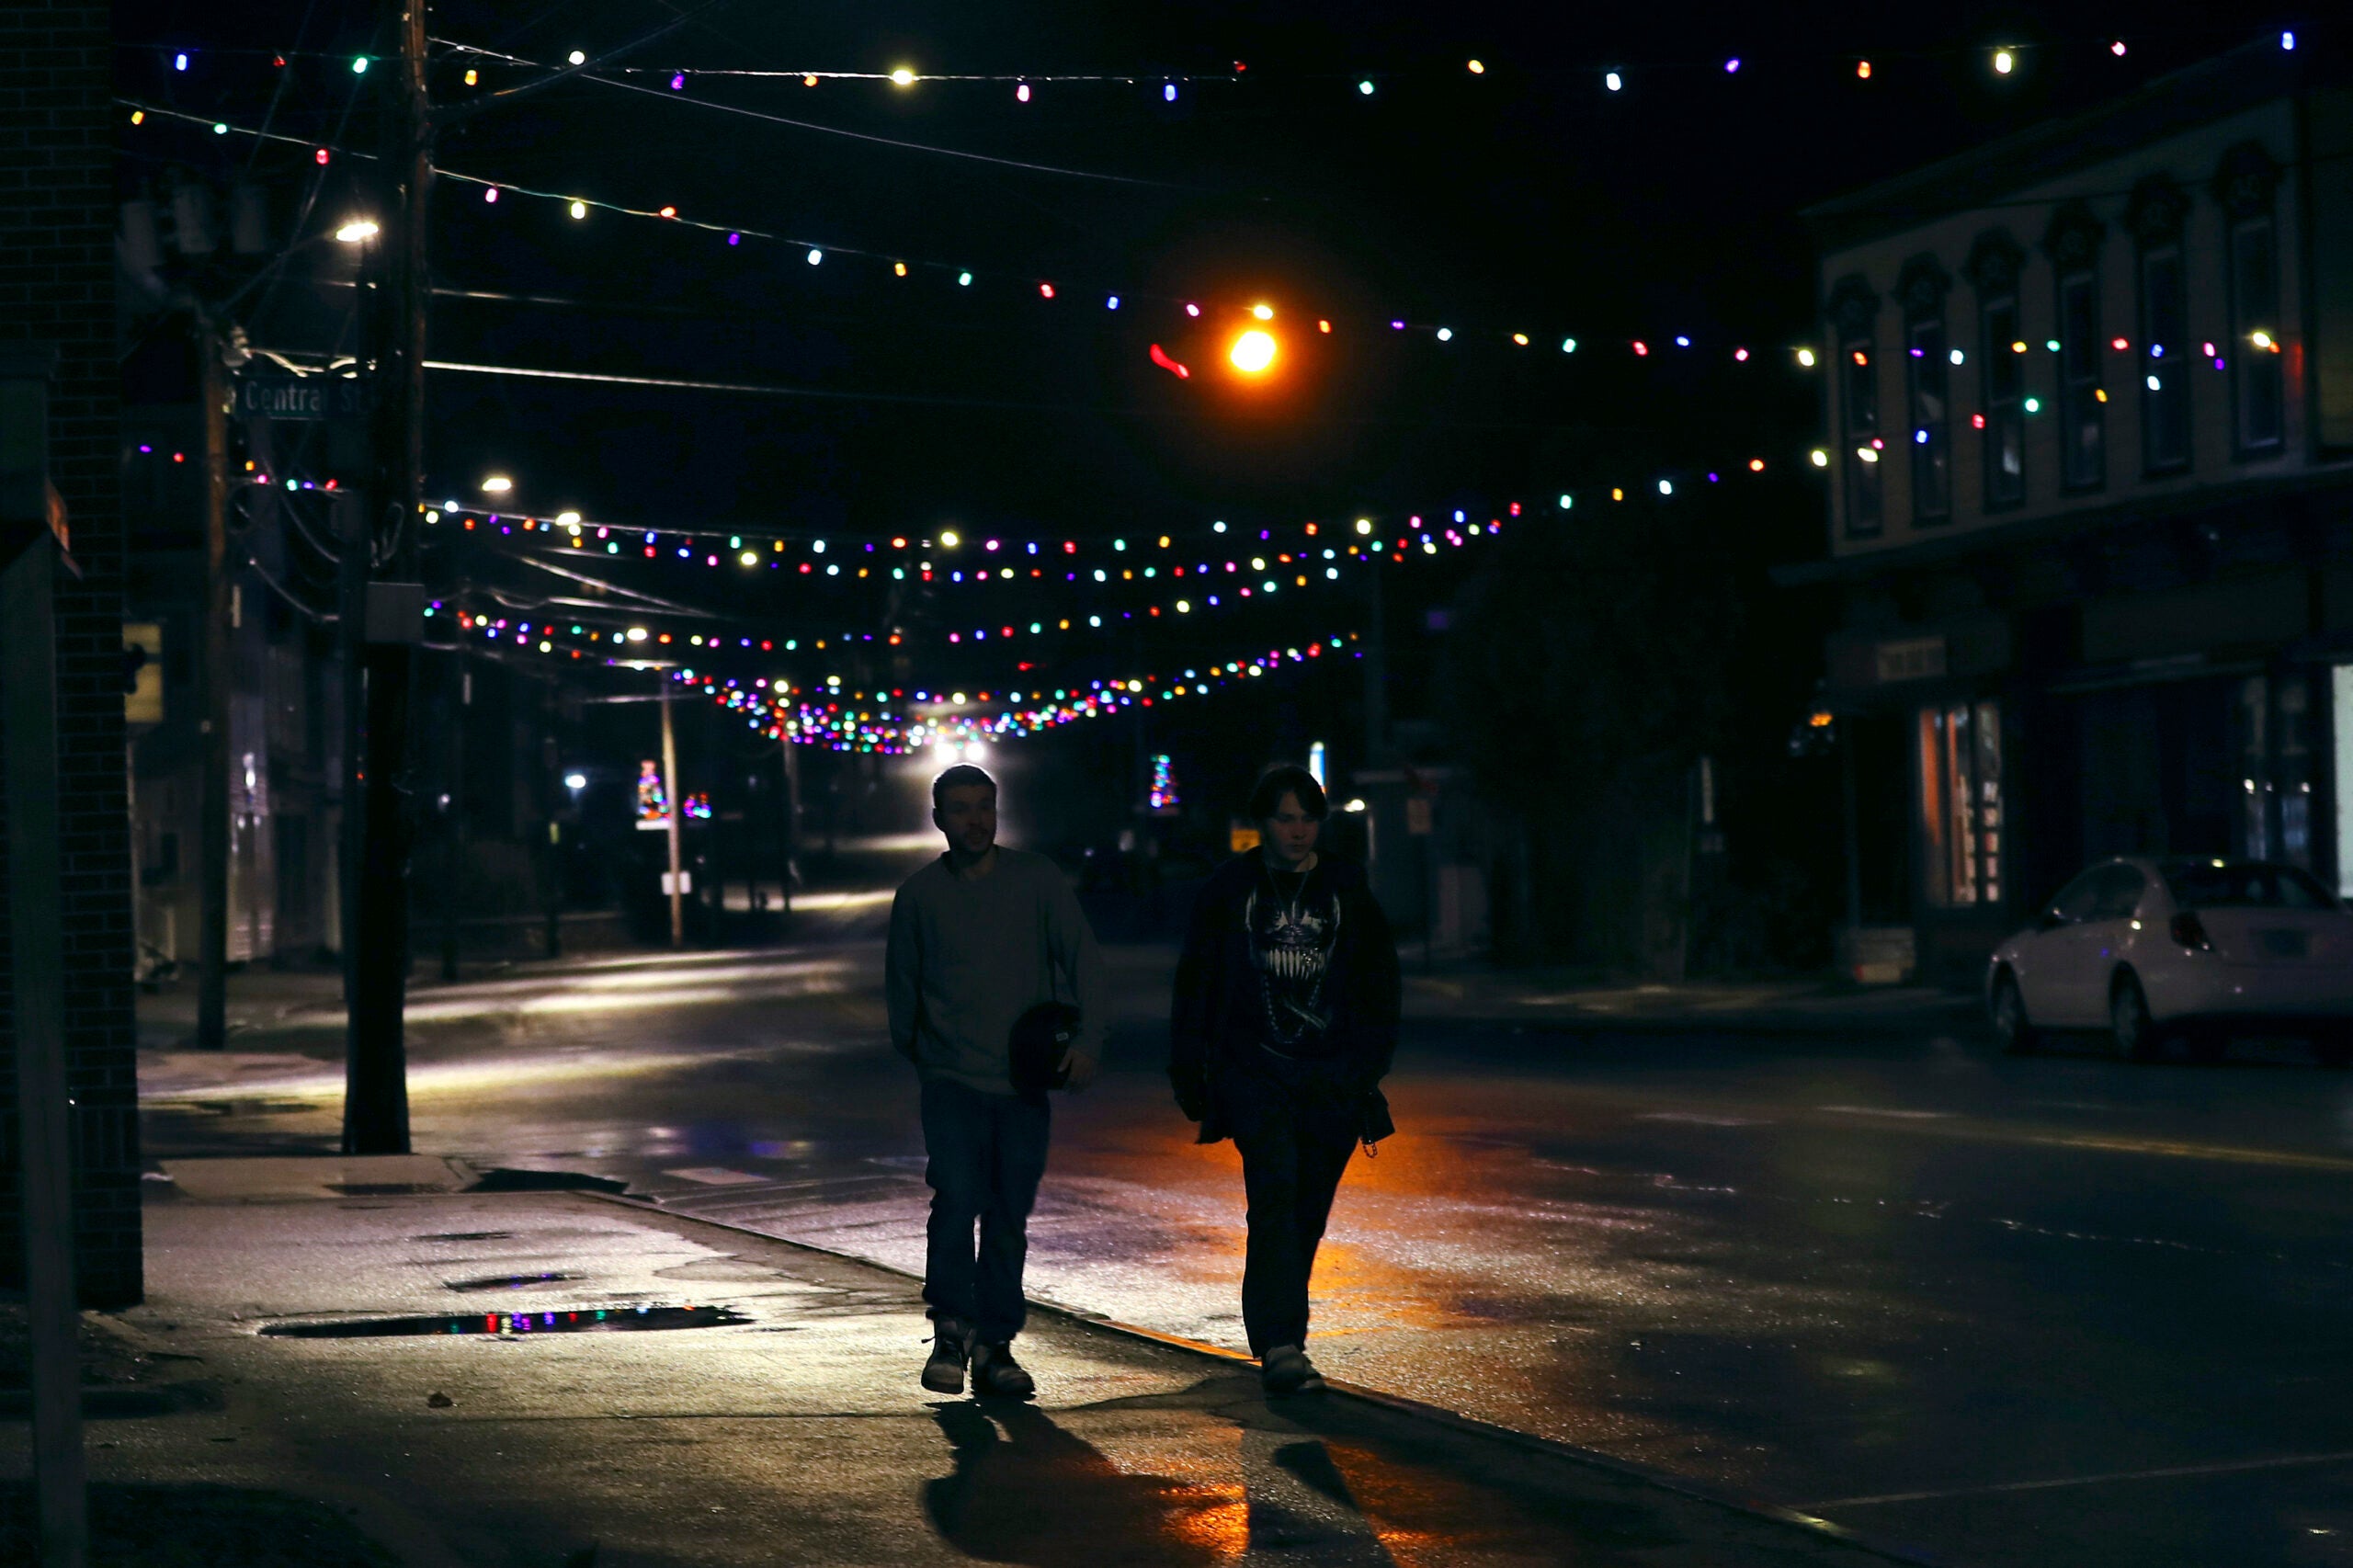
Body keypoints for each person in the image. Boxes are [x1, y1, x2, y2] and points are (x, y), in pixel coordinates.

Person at [1169, 764, 1400, 1396]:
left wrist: (1367, 1062)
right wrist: (1191, 1071)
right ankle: (1280, 1343)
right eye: (1285, 817)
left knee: (1306, 1213)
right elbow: (1196, 980)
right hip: (1256, 1072)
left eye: (1307, 818)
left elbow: (1380, 977)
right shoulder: (1229, 889)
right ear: (1262, 823)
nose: (1298, 831)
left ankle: (1281, 1334)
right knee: (1274, 1198)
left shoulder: (1346, 887)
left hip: (1331, 1078)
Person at [888, 763, 1105, 1399]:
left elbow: (1083, 960)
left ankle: (997, 1346)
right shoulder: (920, 896)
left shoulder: (1036, 881)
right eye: (961, 809)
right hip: (952, 1081)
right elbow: (903, 994)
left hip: (1022, 1087)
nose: (976, 820)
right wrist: (928, 1058)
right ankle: (951, 1330)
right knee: (957, 1201)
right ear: (938, 819)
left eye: (985, 806)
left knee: (1009, 1214)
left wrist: (1089, 1042)